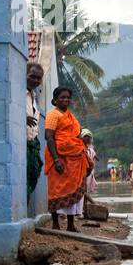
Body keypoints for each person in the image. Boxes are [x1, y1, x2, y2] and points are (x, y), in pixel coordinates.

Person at [43, 86, 89, 232]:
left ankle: (70, 224)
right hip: (58, 156)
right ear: (55, 100)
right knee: (56, 190)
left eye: (68, 97)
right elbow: (49, 137)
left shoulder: (71, 116)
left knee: (73, 190)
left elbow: (77, 136)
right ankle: (55, 223)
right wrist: (56, 159)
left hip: (74, 159)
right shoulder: (53, 115)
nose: (65, 100)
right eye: (62, 97)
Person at [24, 62, 44, 201]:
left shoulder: (33, 97)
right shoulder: (19, 93)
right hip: (22, 144)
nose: (35, 81)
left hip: (32, 143)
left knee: (32, 175)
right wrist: (22, 118)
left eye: (38, 78)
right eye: (32, 77)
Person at [80, 129, 98, 197]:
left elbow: (95, 158)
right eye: (86, 136)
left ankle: (85, 204)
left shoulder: (90, 150)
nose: (88, 138)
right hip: (81, 172)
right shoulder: (80, 149)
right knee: (83, 189)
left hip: (88, 172)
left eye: (89, 137)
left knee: (86, 188)